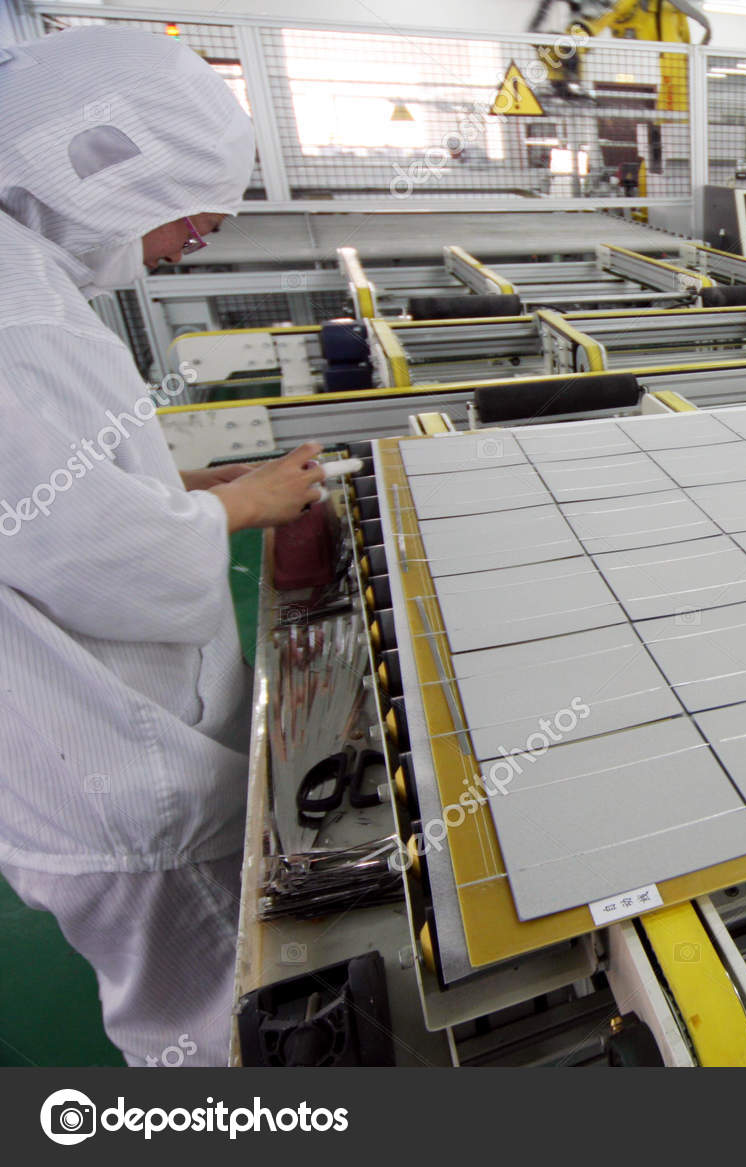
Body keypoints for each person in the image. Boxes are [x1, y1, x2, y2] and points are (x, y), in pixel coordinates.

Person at [0, 26, 329, 1066]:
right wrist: (249, 505)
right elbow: (96, 559)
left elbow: (48, 502)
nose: (189, 244)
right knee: (219, 1014)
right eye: (192, 219)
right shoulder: (22, 321)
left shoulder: (27, 282)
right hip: (115, 759)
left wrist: (182, 485)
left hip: (71, 742)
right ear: (113, 171)